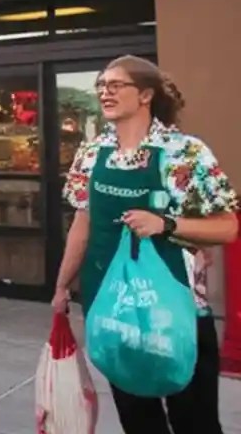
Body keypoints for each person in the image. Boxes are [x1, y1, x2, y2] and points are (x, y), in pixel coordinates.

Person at [52, 55, 237, 434]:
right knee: (137, 419)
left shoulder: (184, 153)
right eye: (101, 85)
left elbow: (227, 227)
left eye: (116, 85)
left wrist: (166, 223)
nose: (105, 92)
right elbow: (82, 226)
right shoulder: (91, 154)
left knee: (195, 421)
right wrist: (61, 285)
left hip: (177, 311)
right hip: (114, 308)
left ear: (146, 95)